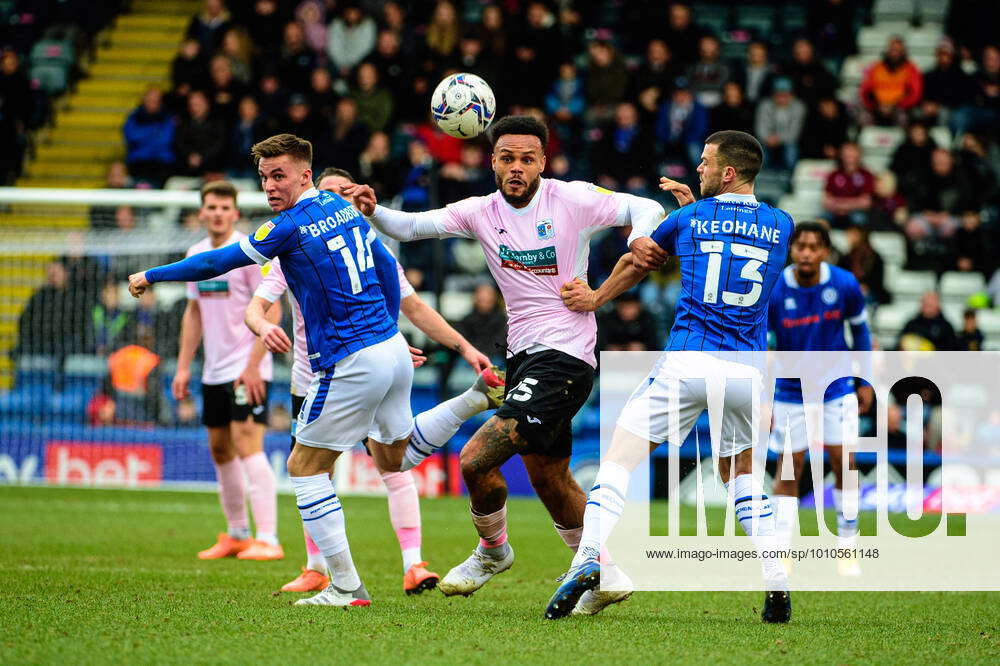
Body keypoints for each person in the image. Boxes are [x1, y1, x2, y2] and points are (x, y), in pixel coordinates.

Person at [128, 133, 502, 607]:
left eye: (279, 176)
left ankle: (344, 586)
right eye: (264, 177)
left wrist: (152, 274)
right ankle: (473, 399)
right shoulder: (343, 208)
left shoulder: (287, 225)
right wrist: (389, 331)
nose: (270, 186)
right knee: (396, 458)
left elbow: (219, 261)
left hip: (349, 360)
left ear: (305, 174)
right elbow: (387, 271)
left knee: (303, 468)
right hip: (389, 347)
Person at [347, 115, 666, 614]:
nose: (517, 167)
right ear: (493, 161)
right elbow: (411, 227)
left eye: (527, 159)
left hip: (566, 357)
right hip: (523, 356)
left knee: (475, 459)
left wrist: (637, 238)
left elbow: (646, 206)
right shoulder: (481, 211)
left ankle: (492, 552)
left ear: (543, 162)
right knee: (550, 478)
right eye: (507, 158)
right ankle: (606, 572)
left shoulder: (572, 199)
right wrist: (373, 210)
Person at [546, 130, 795, 622]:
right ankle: (776, 579)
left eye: (705, 162)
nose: (697, 169)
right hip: (746, 372)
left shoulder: (689, 218)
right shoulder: (783, 224)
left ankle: (587, 557)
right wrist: (694, 214)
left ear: (727, 172)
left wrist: (595, 298)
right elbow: (730, 243)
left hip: (688, 360)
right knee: (742, 477)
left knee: (619, 459)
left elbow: (640, 260)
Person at [247, 166, 500, 595]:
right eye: (327, 192)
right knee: (320, 470)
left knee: (386, 468)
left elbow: (413, 307)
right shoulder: (294, 244)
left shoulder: (370, 248)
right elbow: (264, 303)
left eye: (343, 193)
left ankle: (412, 564)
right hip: (312, 376)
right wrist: (257, 343)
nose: (334, 200)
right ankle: (317, 567)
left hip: (363, 370)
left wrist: (454, 346)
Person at [171, 181, 283, 562]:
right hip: (213, 370)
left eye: (224, 208)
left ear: (235, 213)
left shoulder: (249, 252)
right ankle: (237, 533)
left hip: (247, 367)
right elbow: (194, 312)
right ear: (201, 213)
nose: (217, 213)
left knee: (248, 444)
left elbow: (272, 309)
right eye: (211, 207)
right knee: (220, 449)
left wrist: (253, 366)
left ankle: (268, 538)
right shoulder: (196, 254)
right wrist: (183, 367)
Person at [765, 222, 873, 578]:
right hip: (791, 391)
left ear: (825, 251)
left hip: (836, 387)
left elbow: (860, 332)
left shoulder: (844, 284)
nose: (807, 253)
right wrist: (763, 395)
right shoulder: (775, 288)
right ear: (791, 250)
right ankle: (782, 552)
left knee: (844, 462)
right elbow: (763, 346)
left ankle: (847, 548)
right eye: (801, 246)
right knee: (788, 468)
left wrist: (865, 380)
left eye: (814, 247)